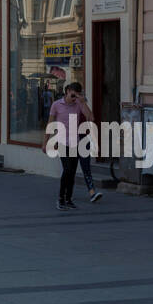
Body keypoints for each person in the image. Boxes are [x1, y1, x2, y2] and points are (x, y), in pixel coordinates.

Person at [46, 82, 99, 210]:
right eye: (73, 94)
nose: (74, 97)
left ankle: (68, 199)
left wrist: (82, 102)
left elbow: (91, 118)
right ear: (67, 91)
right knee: (67, 170)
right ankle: (60, 198)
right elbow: (50, 124)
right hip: (62, 142)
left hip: (75, 143)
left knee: (72, 173)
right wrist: (45, 143)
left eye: (77, 94)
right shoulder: (56, 105)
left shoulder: (78, 105)